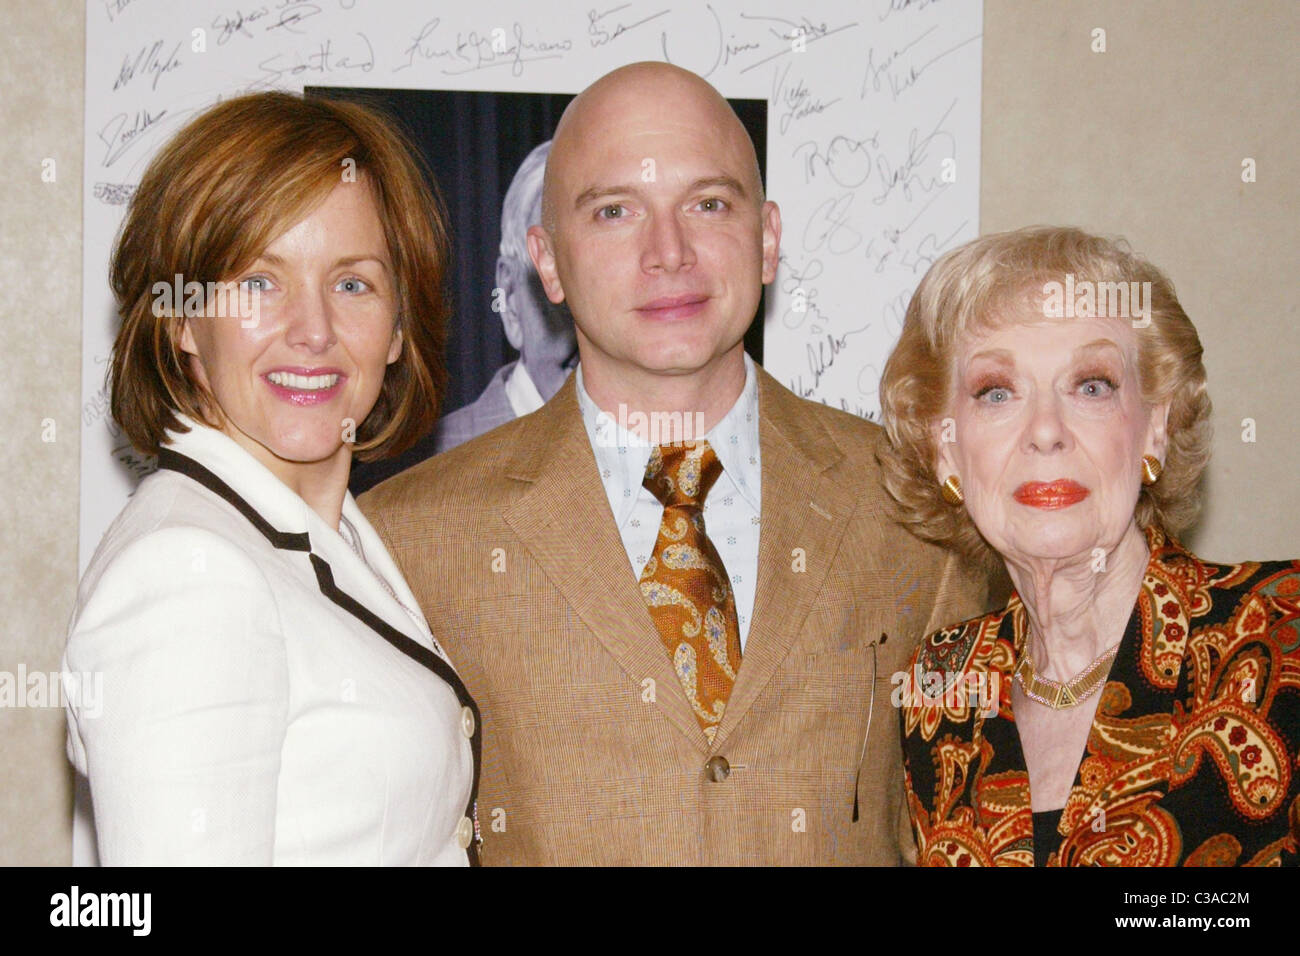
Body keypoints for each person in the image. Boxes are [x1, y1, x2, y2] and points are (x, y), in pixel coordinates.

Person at [358, 61, 994, 865]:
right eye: (616, 211)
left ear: (766, 240)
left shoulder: (914, 504)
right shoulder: (408, 539)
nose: (670, 252)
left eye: (708, 203)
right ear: (546, 261)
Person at [63, 92, 481, 865]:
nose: (313, 330)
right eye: (259, 281)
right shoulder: (188, 575)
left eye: (352, 283)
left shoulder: (331, 534)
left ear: (397, 329)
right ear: (182, 319)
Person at [880, 225, 1300, 866]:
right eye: (997, 392)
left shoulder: (1281, 629)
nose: (1046, 431)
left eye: (1092, 385)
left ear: (1155, 429)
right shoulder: (941, 685)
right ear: (945, 449)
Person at [433, 139, 578, 453]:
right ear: (510, 298)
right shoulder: (419, 472)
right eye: (563, 279)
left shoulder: (681, 450)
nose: (593, 324)